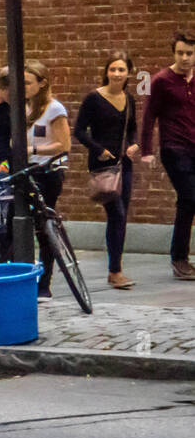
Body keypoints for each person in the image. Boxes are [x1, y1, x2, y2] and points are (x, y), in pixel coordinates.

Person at [74, 52, 140, 289]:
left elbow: (132, 129)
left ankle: (115, 270)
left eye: (121, 70)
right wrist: (98, 149)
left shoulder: (129, 99)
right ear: (106, 72)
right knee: (117, 215)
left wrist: (134, 144)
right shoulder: (93, 99)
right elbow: (79, 131)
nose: (117, 74)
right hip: (102, 164)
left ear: (128, 73)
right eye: (113, 69)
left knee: (120, 219)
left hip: (124, 164)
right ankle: (115, 271)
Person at [140, 31, 195, 280]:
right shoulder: (161, 80)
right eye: (180, 53)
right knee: (190, 197)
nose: (184, 57)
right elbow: (149, 115)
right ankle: (179, 259)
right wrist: (147, 151)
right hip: (174, 148)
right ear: (174, 53)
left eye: (189, 53)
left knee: (187, 203)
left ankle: (180, 257)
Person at [24, 60, 70, 298]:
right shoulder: (23, 108)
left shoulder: (55, 109)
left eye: (28, 83)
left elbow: (64, 145)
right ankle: (24, 274)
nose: (24, 87)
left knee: (44, 226)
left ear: (42, 84)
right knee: (22, 222)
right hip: (27, 170)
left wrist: (33, 151)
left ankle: (45, 283)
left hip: (49, 171)